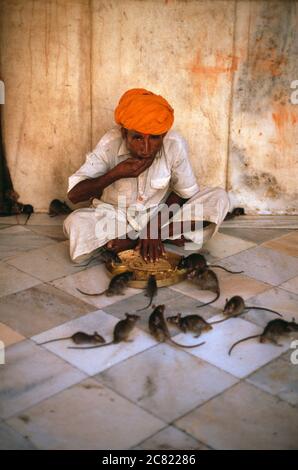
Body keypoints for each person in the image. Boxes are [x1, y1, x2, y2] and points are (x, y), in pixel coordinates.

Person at [64, 88, 229, 263]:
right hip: (115, 216)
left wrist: (153, 228)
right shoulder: (109, 143)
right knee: (75, 223)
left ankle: (134, 240)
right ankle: (156, 238)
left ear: (163, 135)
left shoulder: (174, 144)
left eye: (154, 138)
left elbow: (184, 193)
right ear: (124, 133)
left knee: (218, 198)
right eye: (137, 138)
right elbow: (74, 195)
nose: (147, 148)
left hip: (159, 214)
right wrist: (115, 174)